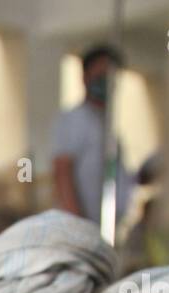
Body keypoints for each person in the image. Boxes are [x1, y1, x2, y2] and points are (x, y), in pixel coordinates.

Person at [51, 44, 133, 225]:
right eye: (100, 77)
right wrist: (78, 226)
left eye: (111, 77)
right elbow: (62, 171)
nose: (106, 83)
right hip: (81, 228)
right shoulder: (76, 119)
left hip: (102, 228)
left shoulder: (107, 126)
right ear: (85, 78)